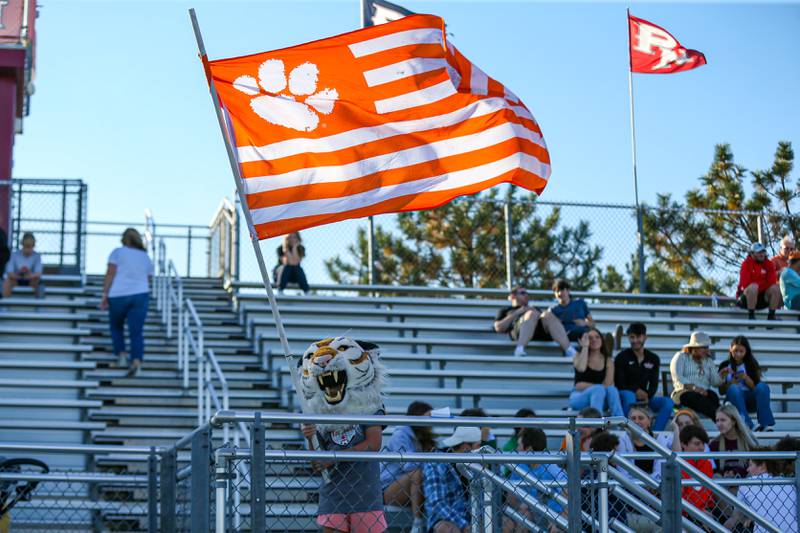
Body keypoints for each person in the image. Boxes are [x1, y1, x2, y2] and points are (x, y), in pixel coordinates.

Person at [301, 413, 387, 533]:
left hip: (365, 494)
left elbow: (374, 444)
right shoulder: (319, 408)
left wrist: (334, 457)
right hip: (333, 494)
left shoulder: (368, 403)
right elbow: (317, 465)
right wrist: (311, 439)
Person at [99, 229, 153, 377]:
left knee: (116, 327)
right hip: (140, 294)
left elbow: (110, 273)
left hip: (118, 294)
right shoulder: (146, 257)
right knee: (136, 332)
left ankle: (121, 355)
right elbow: (148, 279)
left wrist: (105, 294)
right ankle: (136, 362)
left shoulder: (117, 252)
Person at [380, 401, 435, 533]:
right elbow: (408, 465)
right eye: (427, 416)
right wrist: (429, 460)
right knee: (416, 473)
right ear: (417, 416)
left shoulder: (420, 436)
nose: (430, 421)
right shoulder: (401, 435)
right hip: (387, 490)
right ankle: (417, 523)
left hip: (409, 488)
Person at [505, 427, 567, 532]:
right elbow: (510, 499)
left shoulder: (552, 468)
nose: (516, 449)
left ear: (528, 449)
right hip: (528, 513)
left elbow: (569, 496)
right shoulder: (519, 466)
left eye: (519, 445)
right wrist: (519, 505)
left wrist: (560, 519)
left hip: (552, 515)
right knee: (514, 520)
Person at [614, 322, 674, 431]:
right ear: (628, 338)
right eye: (632, 337)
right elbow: (619, 382)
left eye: (638, 337)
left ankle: (654, 434)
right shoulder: (621, 357)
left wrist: (647, 394)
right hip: (625, 395)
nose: (635, 340)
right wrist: (635, 391)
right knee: (629, 395)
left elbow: (654, 383)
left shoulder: (653, 358)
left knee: (668, 402)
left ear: (645, 337)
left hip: (645, 398)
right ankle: (628, 431)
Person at [423, 426, 482, 533]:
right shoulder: (436, 463)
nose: (483, 450)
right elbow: (437, 502)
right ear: (466, 447)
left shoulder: (480, 464)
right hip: (445, 519)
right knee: (447, 529)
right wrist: (464, 525)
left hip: (475, 516)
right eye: (479, 446)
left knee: (506, 523)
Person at [493, 285, 578, 358]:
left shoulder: (533, 309)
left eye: (527, 293)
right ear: (513, 296)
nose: (526, 295)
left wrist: (536, 313)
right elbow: (498, 327)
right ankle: (519, 349)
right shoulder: (506, 310)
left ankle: (568, 350)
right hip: (519, 331)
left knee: (547, 314)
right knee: (531, 314)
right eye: (522, 293)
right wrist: (519, 312)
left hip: (537, 331)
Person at [724, 450, 798, 533]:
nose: (747, 469)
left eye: (750, 465)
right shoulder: (789, 484)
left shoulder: (747, 484)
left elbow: (736, 517)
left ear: (762, 466)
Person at [718, 335, 775, 431]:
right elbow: (721, 391)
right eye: (736, 351)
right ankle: (749, 425)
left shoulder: (751, 364)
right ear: (730, 349)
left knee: (763, 386)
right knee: (733, 388)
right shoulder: (724, 365)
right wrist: (729, 383)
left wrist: (746, 379)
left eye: (741, 351)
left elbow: (757, 389)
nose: (738, 354)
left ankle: (765, 424)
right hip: (734, 400)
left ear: (746, 352)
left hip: (750, 400)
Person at [669, 331, 727, 420]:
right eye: (703, 347)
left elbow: (715, 382)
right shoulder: (681, 357)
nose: (707, 350)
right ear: (694, 347)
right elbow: (678, 378)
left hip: (703, 393)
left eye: (707, 347)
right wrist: (695, 388)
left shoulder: (708, 361)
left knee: (713, 395)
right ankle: (720, 417)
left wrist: (722, 375)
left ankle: (721, 417)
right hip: (683, 393)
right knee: (695, 397)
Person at [568, 328, 623, 417]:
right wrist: (585, 347)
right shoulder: (578, 355)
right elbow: (581, 368)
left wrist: (585, 385)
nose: (594, 340)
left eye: (597, 337)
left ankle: (620, 423)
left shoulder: (608, 361)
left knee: (612, 390)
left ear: (602, 340)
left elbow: (608, 386)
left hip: (600, 398)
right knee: (598, 389)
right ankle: (596, 425)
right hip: (579, 397)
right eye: (590, 338)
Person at [709, 404, 758, 479]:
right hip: (723, 485)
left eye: (723, 420)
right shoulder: (714, 444)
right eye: (717, 420)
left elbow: (755, 466)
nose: (719, 424)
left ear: (734, 421)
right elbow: (713, 469)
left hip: (745, 482)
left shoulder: (749, 441)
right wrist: (725, 473)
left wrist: (735, 472)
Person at [736, 242, 782, 321]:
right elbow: (745, 284)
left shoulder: (769, 264)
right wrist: (761, 284)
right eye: (759, 252)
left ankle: (771, 316)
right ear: (752, 254)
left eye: (763, 252)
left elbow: (771, 282)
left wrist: (758, 285)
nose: (762, 254)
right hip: (746, 300)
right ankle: (751, 316)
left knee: (776, 288)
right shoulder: (746, 264)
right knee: (753, 287)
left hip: (762, 298)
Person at [679, 425, 714, 513]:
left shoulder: (707, 464)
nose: (702, 448)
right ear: (683, 444)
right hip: (685, 513)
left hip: (706, 509)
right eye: (697, 443)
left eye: (703, 444)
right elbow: (678, 499)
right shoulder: (676, 466)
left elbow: (706, 493)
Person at [3, 232, 43, 298]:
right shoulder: (14, 255)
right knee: (7, 282)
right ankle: (4, 306)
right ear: (22, 245)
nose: (28, 249)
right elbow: (10, 272)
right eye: (26, 246)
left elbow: (38, 273)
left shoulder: (36, 256)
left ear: (33, 246)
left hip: (30, 279)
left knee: (39, 283)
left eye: (30, 246)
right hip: (16, 279)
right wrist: (18, 275)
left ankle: (40, 307)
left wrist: (30, 275)